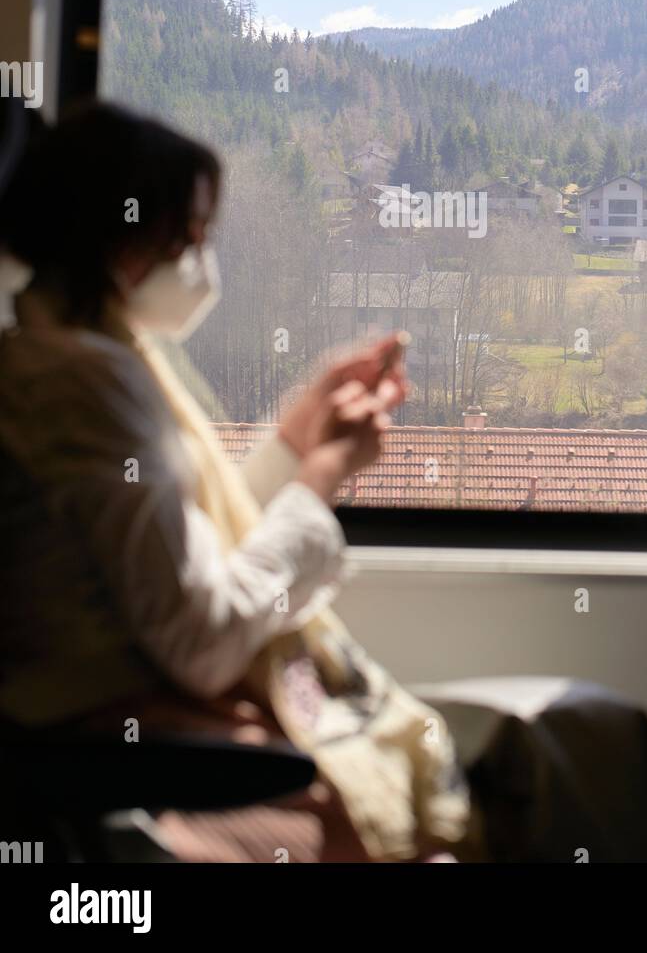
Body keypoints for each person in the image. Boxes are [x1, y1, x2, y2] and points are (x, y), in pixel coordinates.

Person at [0, 101, 471, 862]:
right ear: (116, 239)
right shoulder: (79, 382)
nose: (200, 264)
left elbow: (187, 554)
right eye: (186, 238)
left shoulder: (89, 353)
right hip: (124, 733)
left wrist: (297, 433)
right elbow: (204, 638)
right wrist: (319, 477)